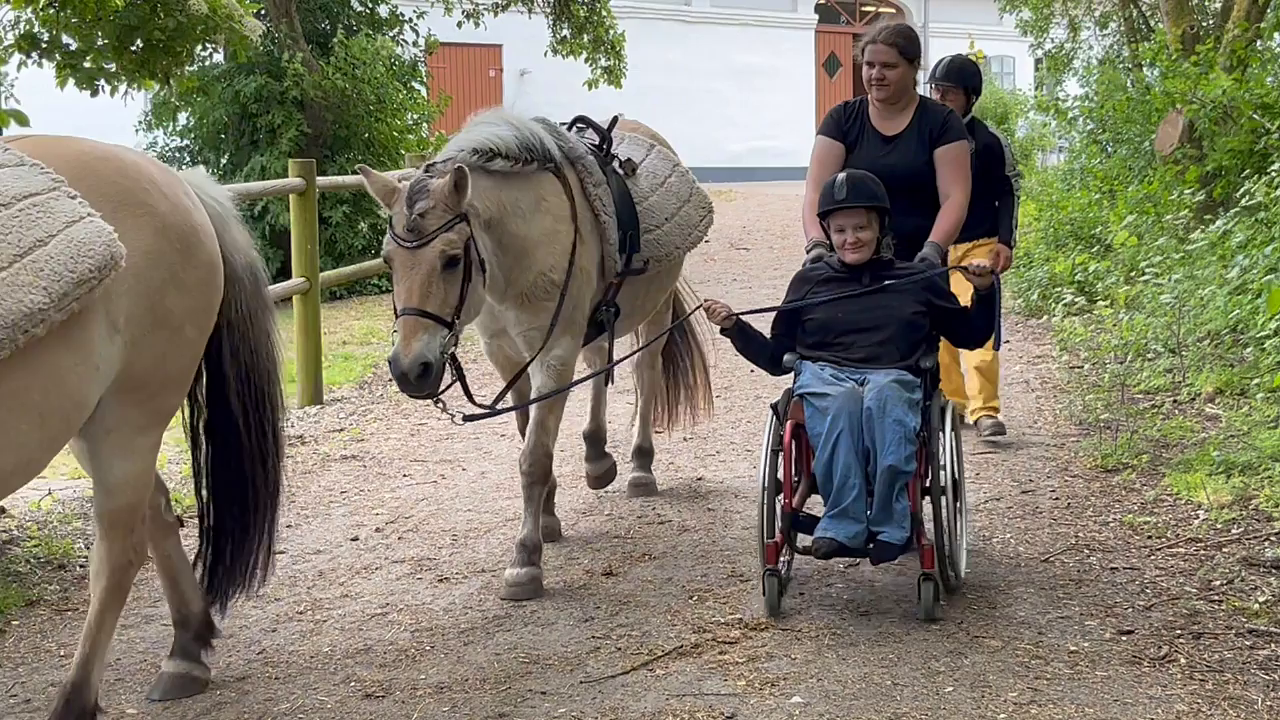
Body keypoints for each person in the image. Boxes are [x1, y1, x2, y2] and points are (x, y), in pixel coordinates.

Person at [704, 169, 998, 565]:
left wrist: (982, 291)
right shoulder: (809, 281)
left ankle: (892, 523)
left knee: (883, 397)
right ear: (827, 231)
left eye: (861, 227)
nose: (851, 238)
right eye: (840, 229)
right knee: (841, 401)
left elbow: (970, 337)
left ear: (880, 227)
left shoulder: (917, 279)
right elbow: (777, 358)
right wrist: (734, 327)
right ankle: (842, 524)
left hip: (895, 374)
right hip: (825, 376)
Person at [802, 21, 971, 269]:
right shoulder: (842, 119)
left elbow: (955, 197)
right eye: (870, 65)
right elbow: (816, 192)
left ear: (913, 68)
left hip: (918, 265)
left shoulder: (943, 123)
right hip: (847, 265)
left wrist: (932, 250)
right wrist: (817, 245)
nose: (876, 74)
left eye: (889, 66)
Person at [927, 53, 1022, 438]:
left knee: (978, 325)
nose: (940, 97)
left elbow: (1009, 189)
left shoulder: (991, 141)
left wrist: (1005, 241)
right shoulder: (920, 136)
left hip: (978, 244)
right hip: (934, 245)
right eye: (935, 90)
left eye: (948, 92)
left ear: (970, 97)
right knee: (938, 323)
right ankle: (953, 404)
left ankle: (985, 409)